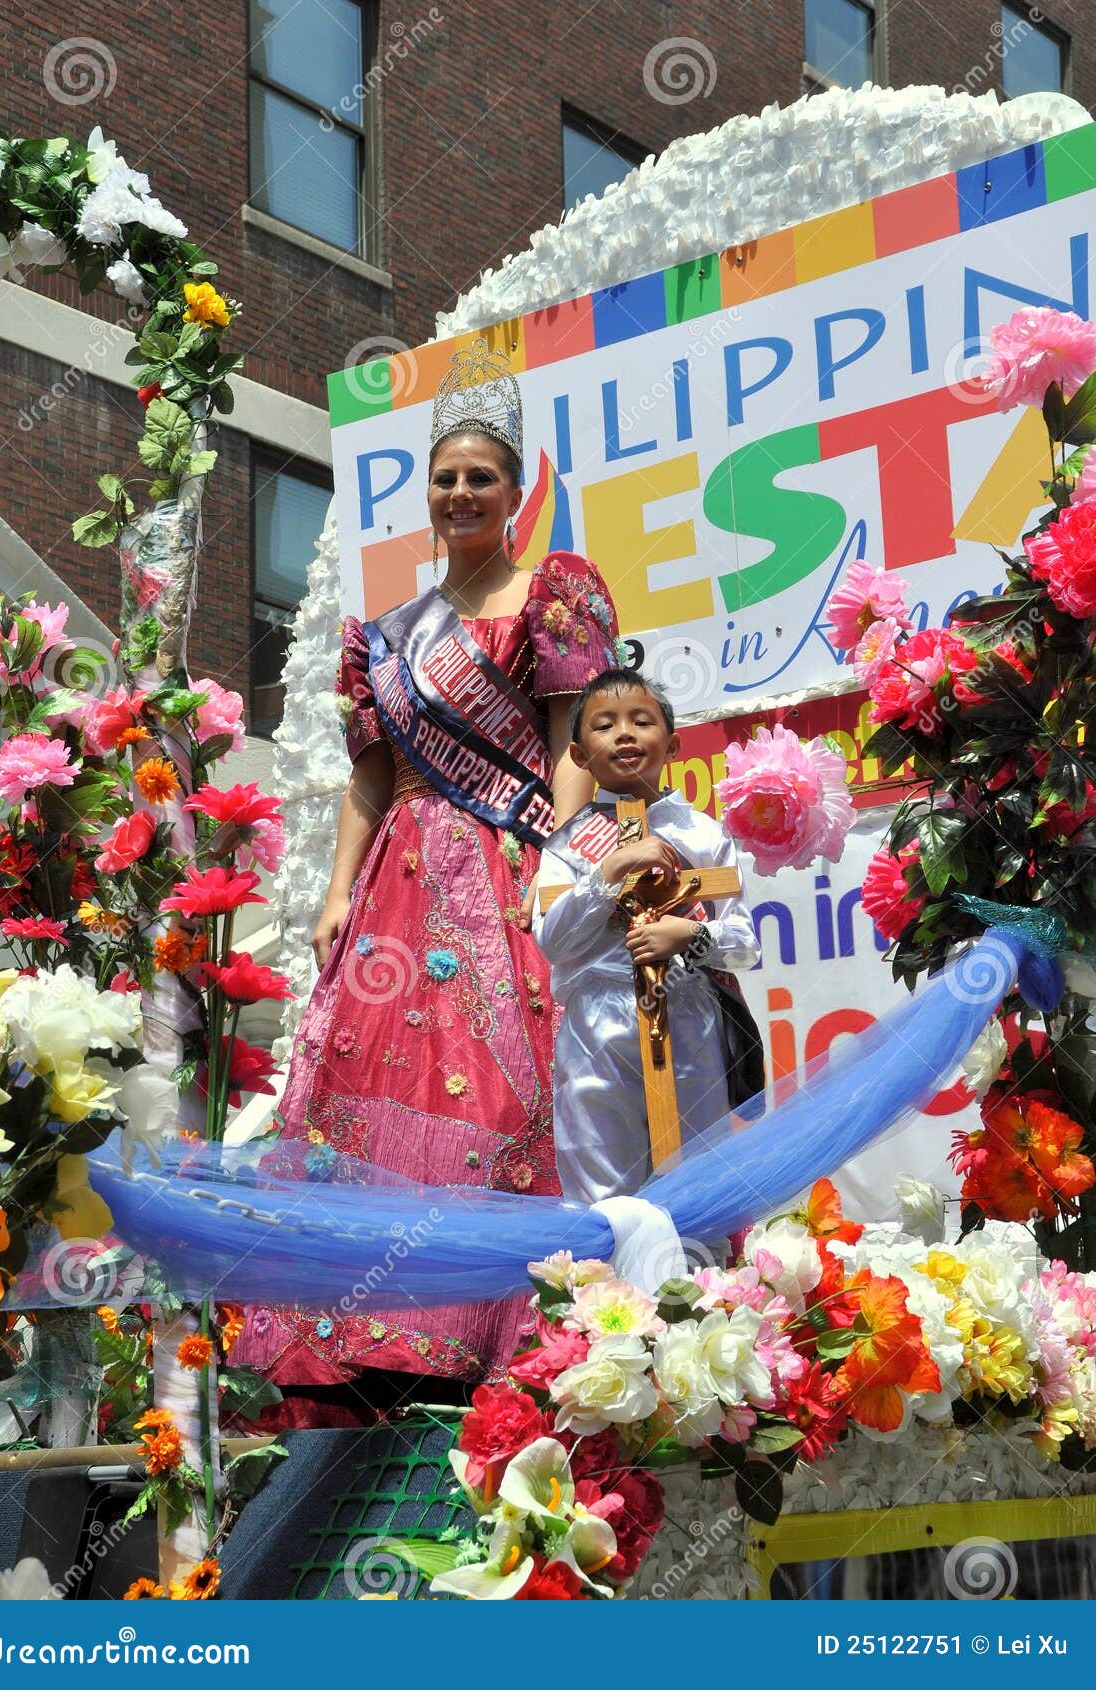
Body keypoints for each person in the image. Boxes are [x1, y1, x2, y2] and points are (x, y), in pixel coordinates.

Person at [237, 341, 621, 1414]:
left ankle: (488, 1341)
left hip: (498, 874)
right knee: (364, 1102)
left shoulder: (551, 592)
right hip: (395, 884)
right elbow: (369, 780)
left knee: (500, 1089)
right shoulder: (392, 635)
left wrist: (553, 863)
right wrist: (328, 893)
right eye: (443, 477)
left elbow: (568, 750)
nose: (458, 493)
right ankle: (363, 1343)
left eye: (479, 477)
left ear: (513, 493)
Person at [533, 668, 763, 1204]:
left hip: (688, 1018)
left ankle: (699, 1286)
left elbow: (745, 944)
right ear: (579, 754)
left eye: (641, 720)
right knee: (601, 1186)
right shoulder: (565, 846)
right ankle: (603, 1289)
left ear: (674, 743)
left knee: (695, 1178)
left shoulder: (703, 834)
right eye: (605, 725)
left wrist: (689, 935)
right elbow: (553, 941)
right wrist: (608, 870)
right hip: (597, 1027)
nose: (625, 734)